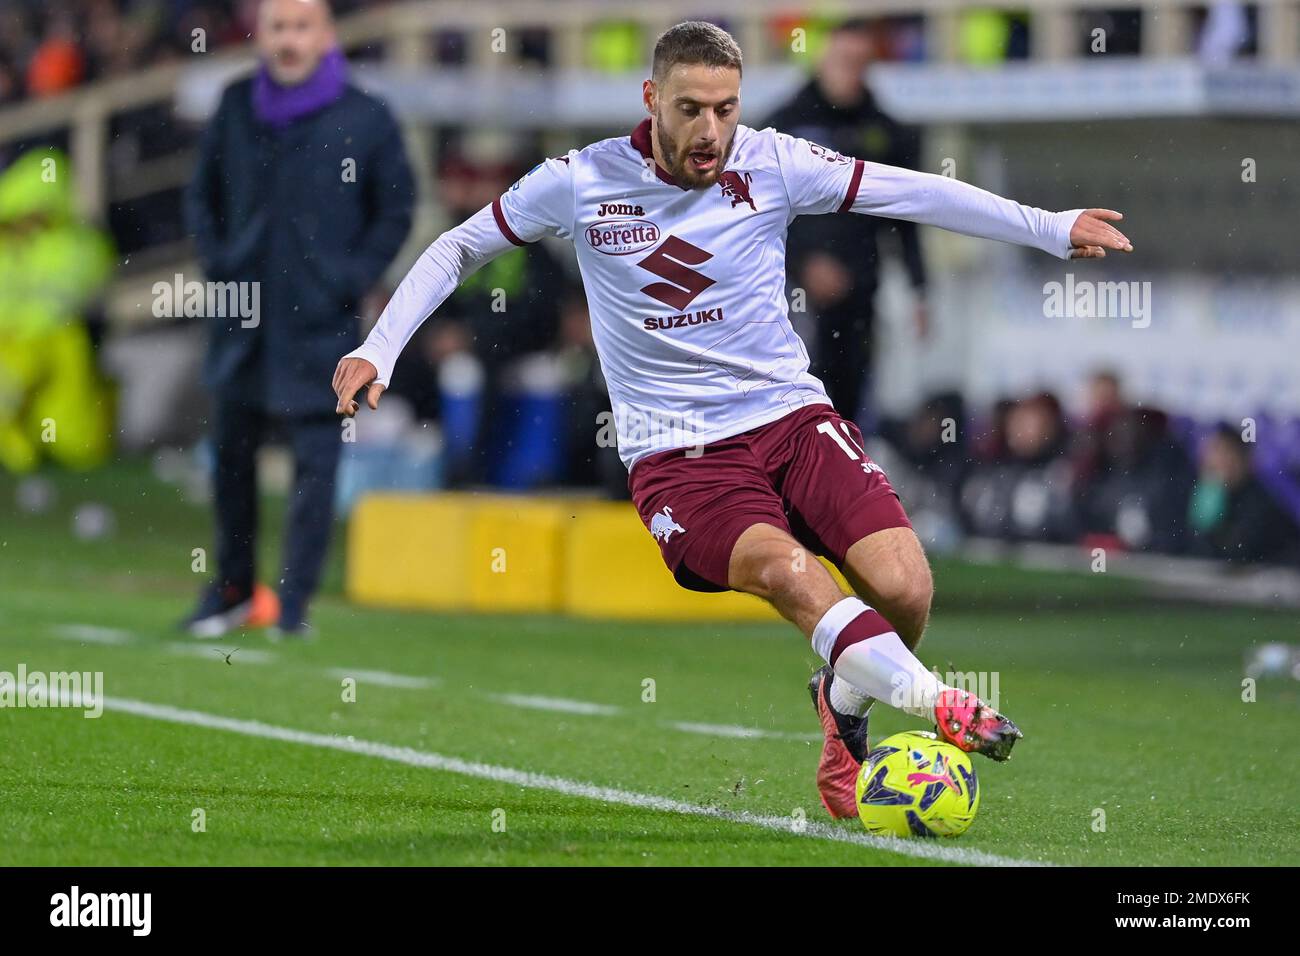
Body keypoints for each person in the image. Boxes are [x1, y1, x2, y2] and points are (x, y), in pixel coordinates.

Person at [332, 21, 1132, 819]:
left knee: (906, 588)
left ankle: (842, 709)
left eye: (725, 108)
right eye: (691, 109)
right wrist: (382, 346)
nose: (711, 130)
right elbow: (457, 249)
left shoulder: (773, 161)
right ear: (652, 99)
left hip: (788, 417)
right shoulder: (580, 181)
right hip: (681, 458)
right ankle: (937, 702)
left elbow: (913, 190)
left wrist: (1048, 227)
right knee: (791, 575)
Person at [182, 0, 414, 638]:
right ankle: (230, 591)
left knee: (318, 466)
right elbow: (200, 195)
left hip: (320, 324)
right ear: (264, 35)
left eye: (301, 26)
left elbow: (396, 208)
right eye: (278, 27)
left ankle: (294, 606)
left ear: (326, 36)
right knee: (231, 459)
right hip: (243, 321)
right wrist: (221, 264)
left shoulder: (365, 116)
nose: (289, 40)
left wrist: (350, 276)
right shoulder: (235, 105)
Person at [762, 18, 927, 426]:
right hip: (790, 292)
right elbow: (758, 211)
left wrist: (919, 289)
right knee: (794, 397)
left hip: (860, 291)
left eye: (859, 63)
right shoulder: (782, 125)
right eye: (841, 60)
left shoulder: (887, 131)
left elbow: (905, 220)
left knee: (851, 397)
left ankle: (840, 482)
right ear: (821, 59)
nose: (849, 73)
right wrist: (802, 264)